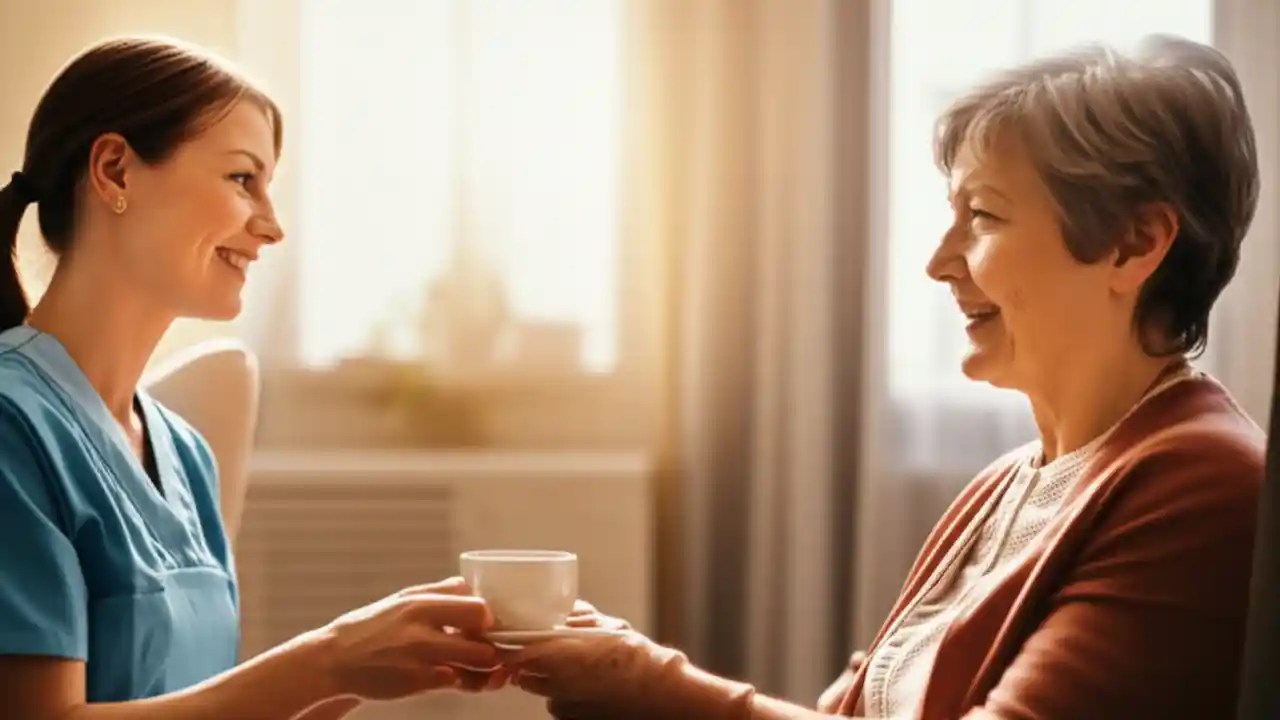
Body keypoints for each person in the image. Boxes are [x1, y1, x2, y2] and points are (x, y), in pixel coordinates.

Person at [500, 35, 1266, 720]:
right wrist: (625, 675)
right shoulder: (1010, 485)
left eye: (985, 217)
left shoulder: (1203, 484)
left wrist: (653, 685)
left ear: (1135, 244)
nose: (939, 261)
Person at [0, 37, 518, 719]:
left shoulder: (188, 454)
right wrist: (324, 660)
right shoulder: (14, 425)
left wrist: (348, 678)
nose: (272, 228)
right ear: (116, 171)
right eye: (243, 179)